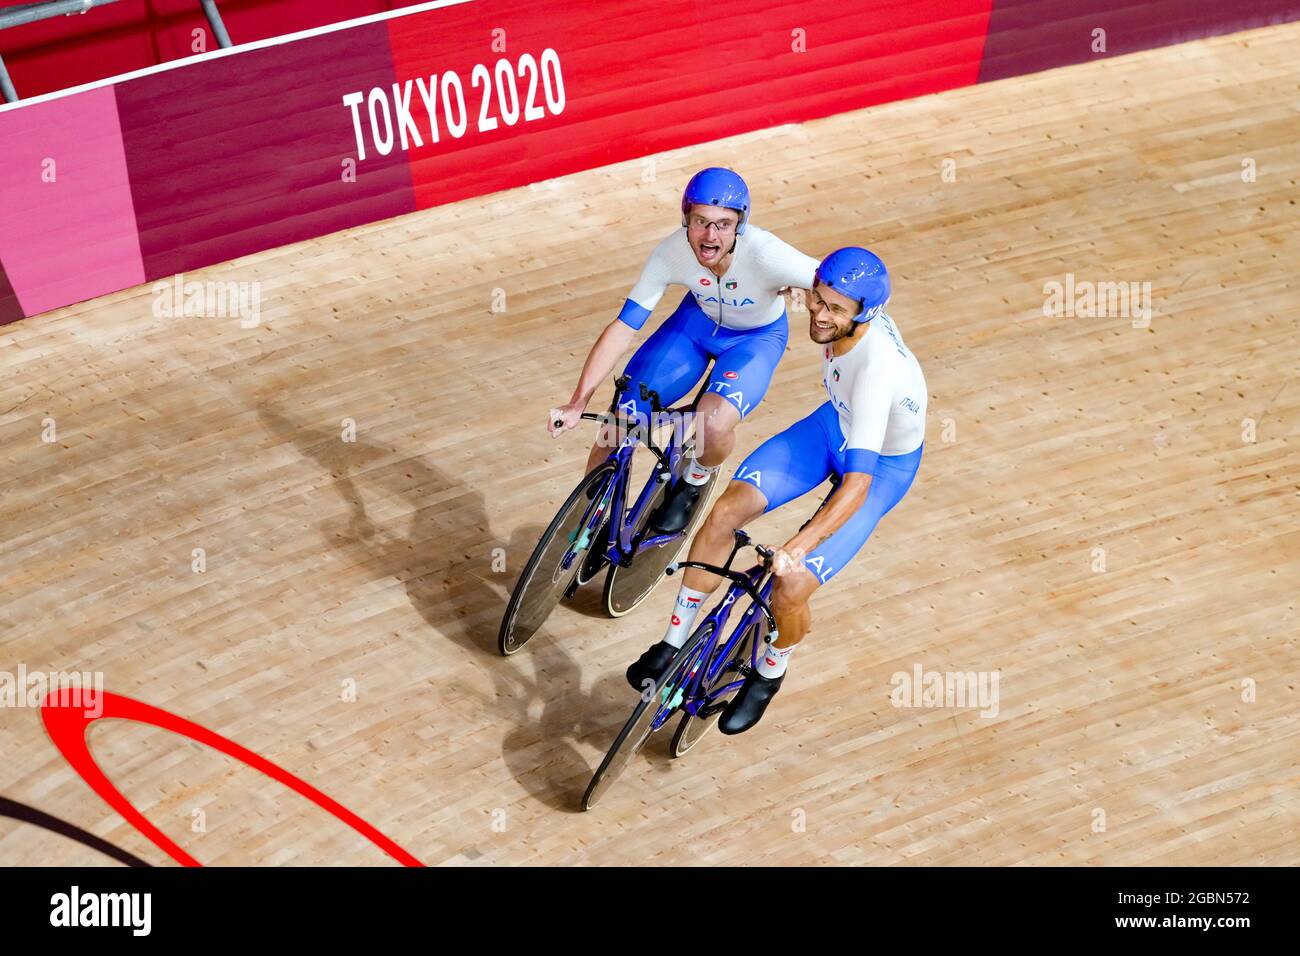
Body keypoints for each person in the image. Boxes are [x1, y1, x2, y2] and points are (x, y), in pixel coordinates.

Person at [626, 247, 927, 734]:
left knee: (792, 584)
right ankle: (673, 640)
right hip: (833, 427)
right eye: (818, 300)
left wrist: (796, 547)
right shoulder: (838, 308)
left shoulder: (876, 373)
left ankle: (769, 671)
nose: (820, 314)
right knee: (725, 511)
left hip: (878, 465)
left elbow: (857, 486)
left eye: (835, 310)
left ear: (864, 315)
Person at [548, 168, 818, 534]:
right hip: (695, 326)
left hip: (755, 339)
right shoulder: (671, 252)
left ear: (740, 225)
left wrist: (818, 307)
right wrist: (579, 400)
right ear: (685, 219)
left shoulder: (768, 254)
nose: (710, 236)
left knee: (713, 423)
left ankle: (695, 477)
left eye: (723, 224)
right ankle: (591, 515)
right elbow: (625, 326)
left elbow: (837, 284)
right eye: (701, 222)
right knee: (622, 418)